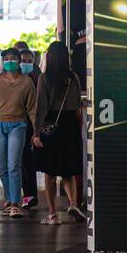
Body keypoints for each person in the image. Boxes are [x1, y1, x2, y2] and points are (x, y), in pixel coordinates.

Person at [33, 41, 86, 225]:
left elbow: (41, 107)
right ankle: (73, 203)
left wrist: (36, 133)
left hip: (51, 124)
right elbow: (78, 104)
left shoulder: (44, 78)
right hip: (71, 124)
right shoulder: (74, 77)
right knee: (68, 171)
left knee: (50, 171)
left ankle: (53, 214)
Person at [0, 47, 37, 217]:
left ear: (19, 61)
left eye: (13, 58)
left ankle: (14, 203)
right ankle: (9, 197)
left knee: (14, 165)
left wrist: (36, 131)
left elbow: (32, 109)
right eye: (6, 58)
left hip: (18, 125)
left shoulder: (27, 82)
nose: (9, 61)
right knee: (3, 167)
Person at [17, 48, 42, 212]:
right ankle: (12, 197)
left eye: (29, 61)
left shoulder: (38, 78)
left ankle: (30, 194)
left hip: (31, 124)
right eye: (23, 60)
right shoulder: (13, 78)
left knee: (28, 160)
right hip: (15, 122)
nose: (26, 63)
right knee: (14, 162)